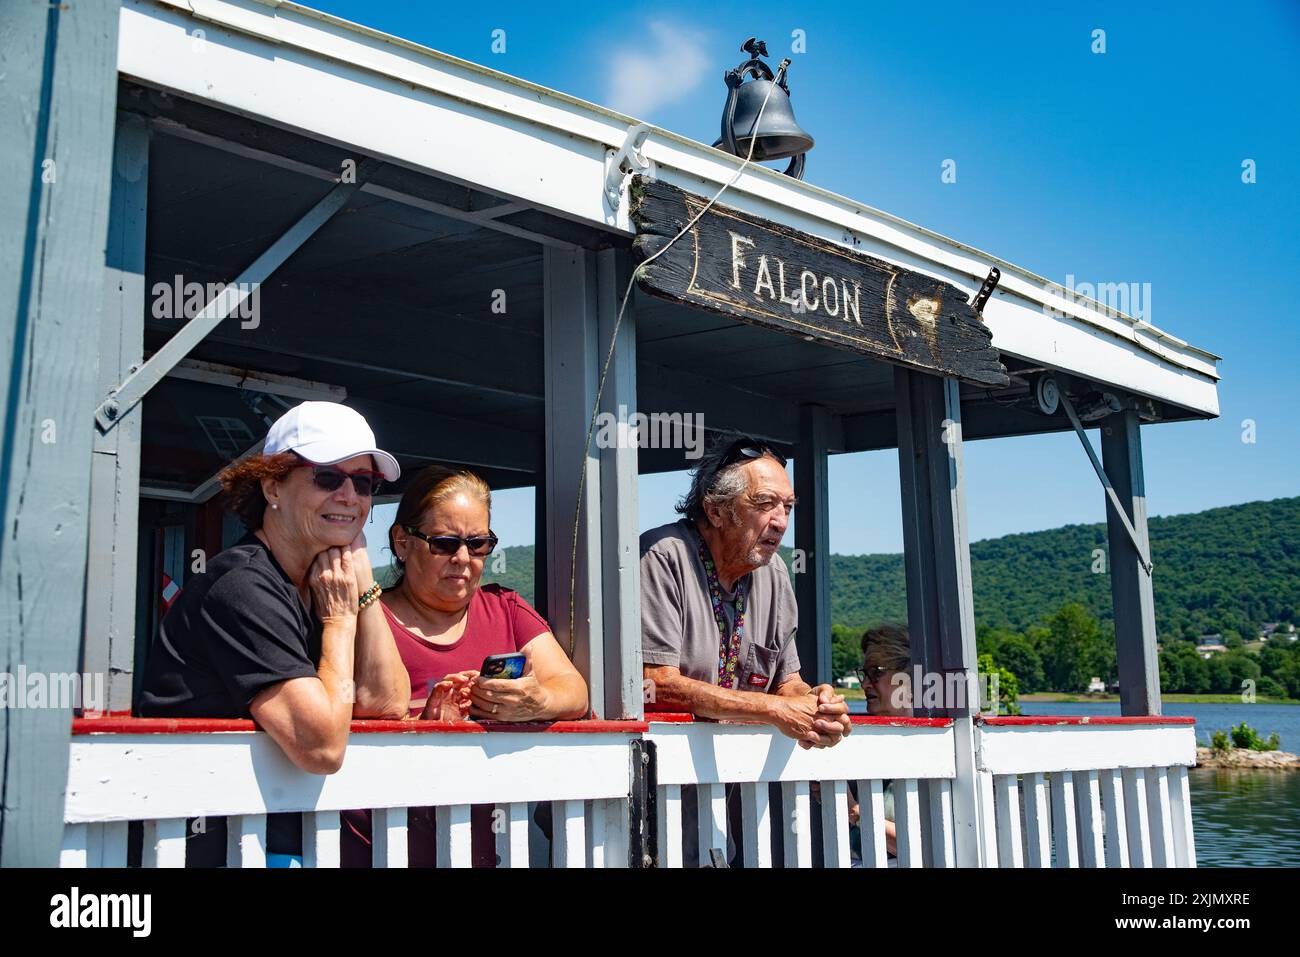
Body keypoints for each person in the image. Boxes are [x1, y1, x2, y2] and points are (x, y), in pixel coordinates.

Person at [137, 400, 411, 863]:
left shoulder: (324, 583)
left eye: (363, 483)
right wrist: (340, 620)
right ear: (272, 486)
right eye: (328, 477)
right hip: (208, 848)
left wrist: (363, 586)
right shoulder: (241, 586)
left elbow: (388, 704)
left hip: (277, 840)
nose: (350, 496)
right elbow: (322, 747)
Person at [341, 464, 587, 866]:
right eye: (443, 543)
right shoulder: (365, 618)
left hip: (486, 848)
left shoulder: (506, 607)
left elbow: (574, 691)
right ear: (401, 542)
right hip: (379, 848)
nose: (462, 558)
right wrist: (420, 728)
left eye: (478, 544)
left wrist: (533, 700)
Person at [640, 436, 851, 746]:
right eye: (765, 503)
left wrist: (815, 704)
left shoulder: (775, 572)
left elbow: (786, 683)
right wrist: (773, 708)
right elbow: (654, 683)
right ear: (715, 511)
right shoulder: (662, 555)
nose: (780, 521)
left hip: (741, 784)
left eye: (788, 507)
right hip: (663, 776)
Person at [850, 622, 913, 861]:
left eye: (876, 672)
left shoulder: (934, 747)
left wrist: (852, 810)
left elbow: (923, 844)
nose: (865, 684)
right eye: (864, 674)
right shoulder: (865, 742)